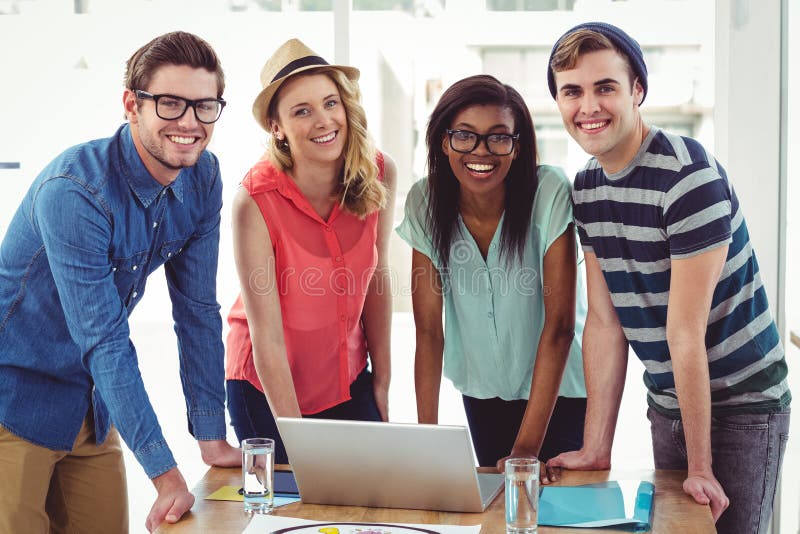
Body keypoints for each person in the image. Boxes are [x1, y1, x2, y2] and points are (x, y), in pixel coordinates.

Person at [545, 22, 791, 534]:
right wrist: (596, 448)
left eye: (605, 87)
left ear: (637, 90)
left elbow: (685, 331)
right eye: (572, 91)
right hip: (668, 400)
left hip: (744, 403)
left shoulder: (687, 177)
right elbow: (605, 326)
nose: (588, 106)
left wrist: (700, 465)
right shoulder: (588, 187)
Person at [0, 31, 241, 533]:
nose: (190, 124)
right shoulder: (75, 192)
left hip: (90, 404)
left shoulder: (204, 178)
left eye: (205, 106)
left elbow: (197, 310)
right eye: (171, 104)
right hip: (14, 400)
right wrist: (165, 474)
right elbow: (105, 339)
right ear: (132, 104)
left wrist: (211, 435)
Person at [396, 74, 587, 472]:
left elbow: (560, 326)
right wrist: (425, 440)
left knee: (556, 518)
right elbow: (429, 331)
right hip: (482, 393)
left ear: (518, 148)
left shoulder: (548, 191)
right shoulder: (424, 202)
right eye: (465, 135)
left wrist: (525, 449)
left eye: (499, 137)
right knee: (500, 516)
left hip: (561, 395)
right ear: (443, 141)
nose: (481, 151)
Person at [225, 38, 396, 465]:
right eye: (302, 111)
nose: (324, 121)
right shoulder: (255, 201)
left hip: (348, 376)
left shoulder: (379, 172)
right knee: (289, 508)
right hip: (265, 387)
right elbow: (266, 336)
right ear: (276, 127)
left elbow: (378, 279)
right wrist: (298, 441)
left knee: (369, 502)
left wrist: (382, 381)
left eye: (330, 103)